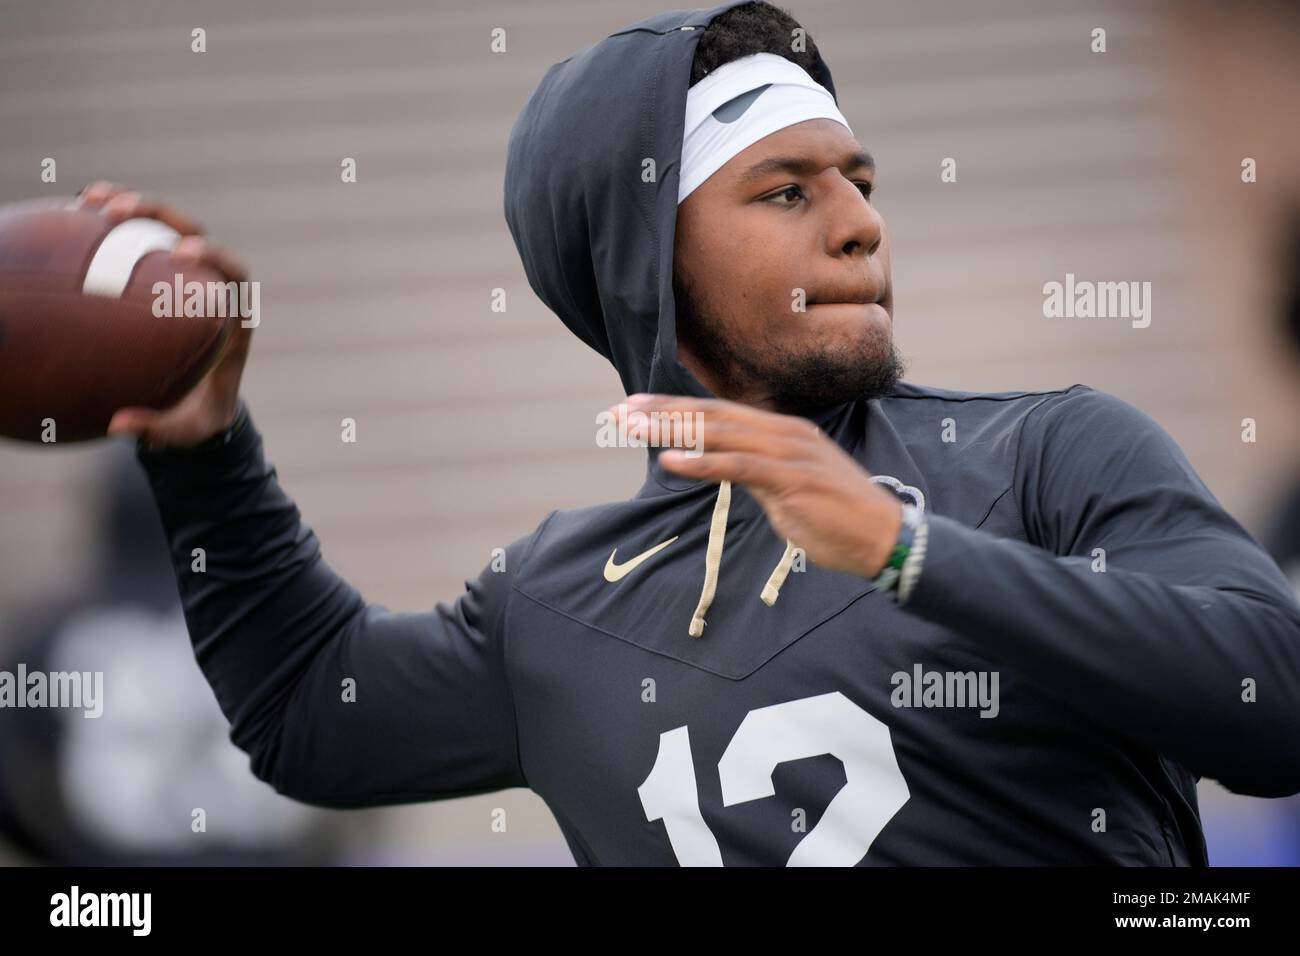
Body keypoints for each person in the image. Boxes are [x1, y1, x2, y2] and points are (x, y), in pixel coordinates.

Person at [87, 0, 1300, 866]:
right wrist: (204, 443)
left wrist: (908, 552)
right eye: (785, 191)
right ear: (642, 266)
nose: (859, 224)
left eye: (858, 179)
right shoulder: (553, 600)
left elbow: (1277, 700)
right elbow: (310, 711)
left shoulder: (1050, 453)